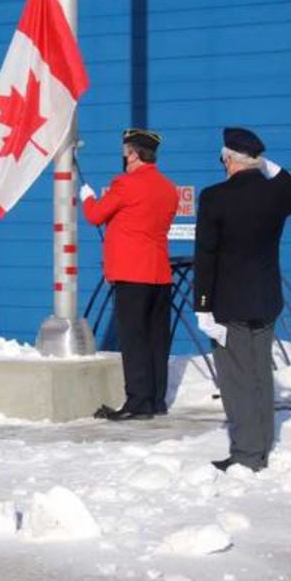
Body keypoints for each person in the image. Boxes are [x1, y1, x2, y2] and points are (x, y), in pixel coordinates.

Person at [193, 127, 291, 473]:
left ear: (229, 160)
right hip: (266, 298)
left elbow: (206, 254)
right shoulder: (275, 195)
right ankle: (261, 446)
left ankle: (246, 453)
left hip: (228, 302)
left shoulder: (215, 197)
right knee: (260, 374)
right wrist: (266, 165)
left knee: (236, 380)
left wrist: (202, 304)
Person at [80, 128, 179, 421]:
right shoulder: (168, 188)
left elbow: (95, 215)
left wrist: (87, 198)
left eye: (125, 153)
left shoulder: (125, 184)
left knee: (134, 339)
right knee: (156, 338)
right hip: (159, 273)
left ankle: (137, 402)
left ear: (134, 154)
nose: (124, 158)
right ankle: (156, 400)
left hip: (132, 273)